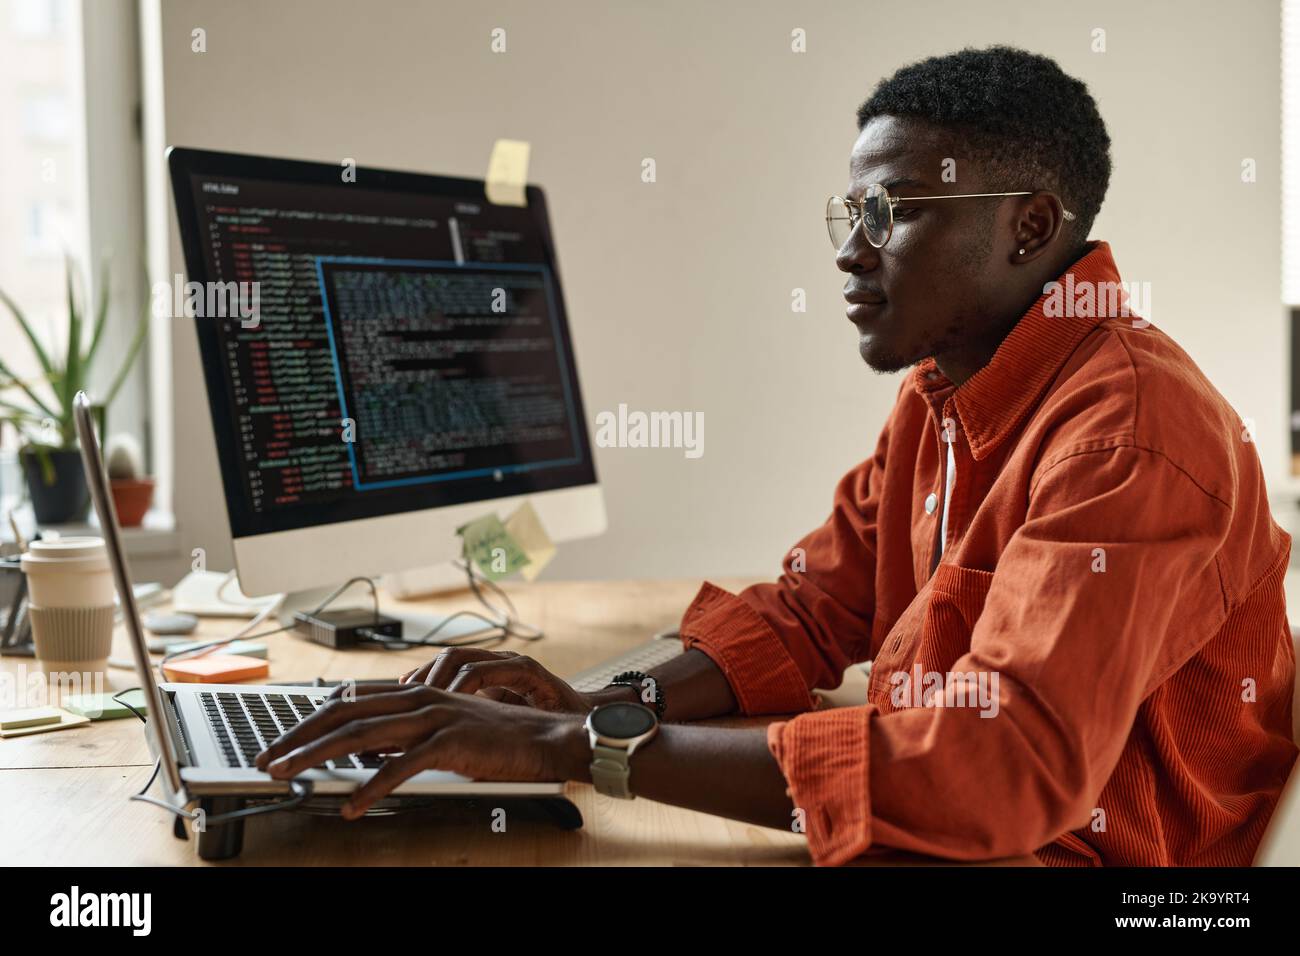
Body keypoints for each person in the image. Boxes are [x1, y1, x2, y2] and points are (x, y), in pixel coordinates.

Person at [257, 46, 1298, 866]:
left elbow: (1001, 767)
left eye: (889, 213)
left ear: (1027, 225)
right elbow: (807, 611)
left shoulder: (1132, 434)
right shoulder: (941, 395)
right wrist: (599, 703)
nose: (849, 247)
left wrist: (584, 750)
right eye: (851, 210)